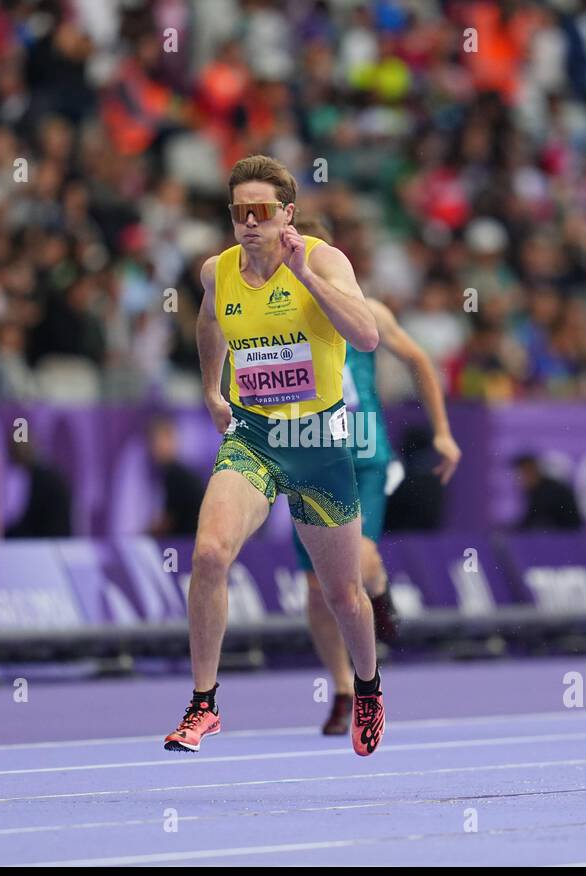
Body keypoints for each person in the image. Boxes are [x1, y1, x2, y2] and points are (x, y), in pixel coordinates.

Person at [163, 155, 384, 756]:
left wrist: (306, 277)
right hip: (255, 436)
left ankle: (366, 687)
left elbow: (367, 336)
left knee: (342, 595)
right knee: (209, 553)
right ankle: (204, 703)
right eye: (240, 212)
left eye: (261, 211)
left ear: (288, 213)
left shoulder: (322, 258)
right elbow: (209, 322)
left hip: (317, 442)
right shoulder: (218, 271)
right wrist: (212, 389)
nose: (250, 223)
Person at [288, 215, 462, 735]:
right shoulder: (275, 315)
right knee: (318, 590)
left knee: (359, 558)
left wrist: (443, 432)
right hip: (309, 455)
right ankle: (343, 688)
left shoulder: (367, 310)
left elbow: (420, 362)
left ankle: (379, 590)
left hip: (364, 455)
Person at [146, 416, 204, 537]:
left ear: (172, 441)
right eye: (153, 442)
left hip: (188, 542)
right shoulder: (172, 473)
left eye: (161, 441)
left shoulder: (175, 475)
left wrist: (144, 536)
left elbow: (168, 521)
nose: (156, 448)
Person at [4, 436, 73, 539]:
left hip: (44, 544)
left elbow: (29, 523)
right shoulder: (51, 474)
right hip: (57, 542)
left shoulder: (34, 479)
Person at [511, 454, 584, 530]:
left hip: (567, 538)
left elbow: (532, 524)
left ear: (531, 470)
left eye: (521, 473)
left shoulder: (549, 492)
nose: (519, 479)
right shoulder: (539, 490)